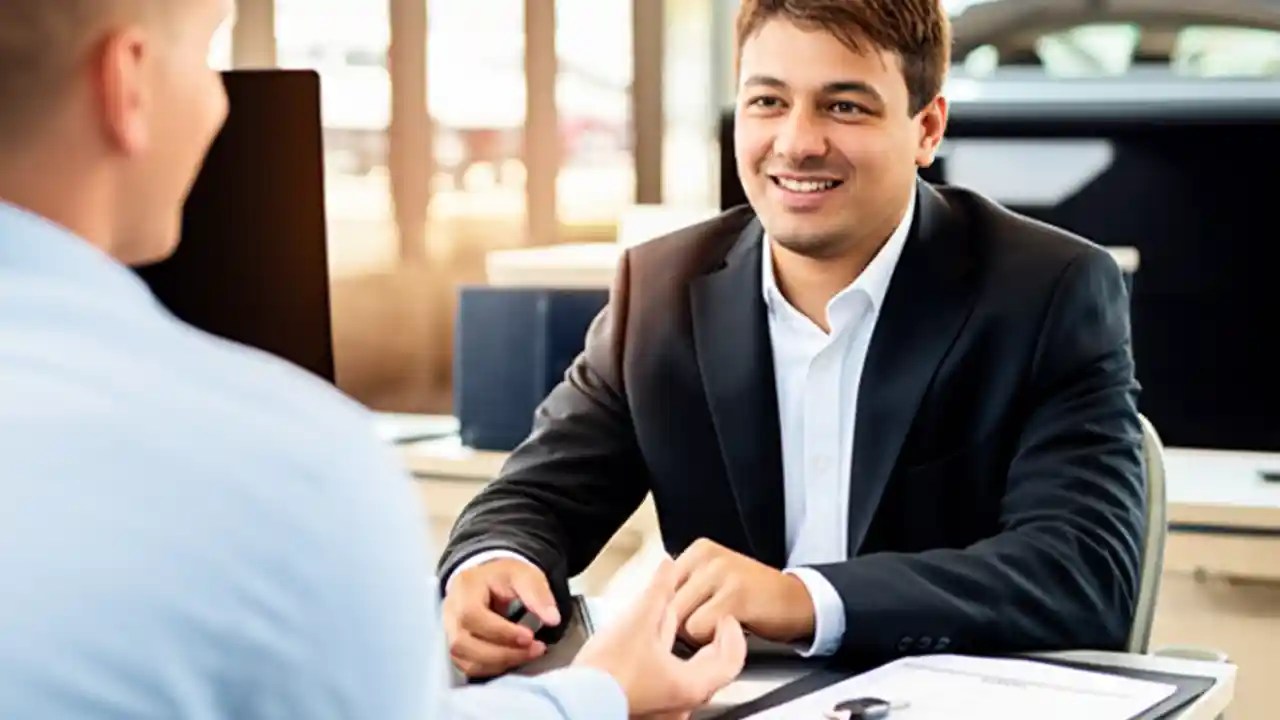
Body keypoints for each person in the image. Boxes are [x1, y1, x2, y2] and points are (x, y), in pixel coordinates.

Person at [0, 1, 745, 718]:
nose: (219, 106)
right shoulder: (285, 470)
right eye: (206, 54)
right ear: (127, 82)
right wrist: (600, 695)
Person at [440, 0, 1146, 679]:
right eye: (768, 102)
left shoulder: (1048, 290)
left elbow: (1083, 572)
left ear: (928, 127)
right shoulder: (659, 292)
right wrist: (495, 564)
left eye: (845, 105)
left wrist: (800, 599)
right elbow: (533, 501)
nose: (798, 142)